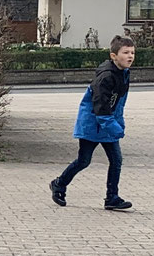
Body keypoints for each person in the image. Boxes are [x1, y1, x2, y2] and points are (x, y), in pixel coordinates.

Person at [50, 34, 136, 211]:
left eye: (132, 53)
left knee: (116, 160)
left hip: (107, 124)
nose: (130, 56)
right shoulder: (106, 77)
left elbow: (118, 104)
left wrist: (119, 123)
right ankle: (59, 184)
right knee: (84, 161)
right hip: (93, 124)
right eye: (125, 52)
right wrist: (114, 128)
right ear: (113, 56)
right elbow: (100, 108)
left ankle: (112, 198)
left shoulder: (124, 74)